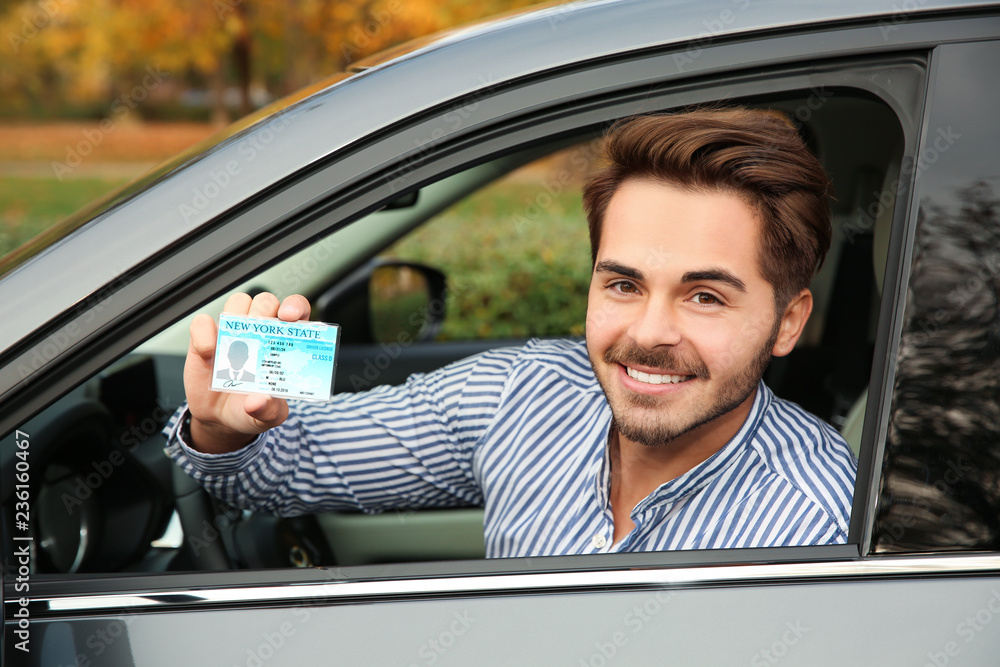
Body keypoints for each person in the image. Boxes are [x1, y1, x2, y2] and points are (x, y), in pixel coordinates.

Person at [165, 108, 857, 557]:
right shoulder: (520, 392)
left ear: (786, 321)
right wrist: (225, 425)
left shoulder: (817, 521)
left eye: (704, 296)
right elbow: (291, 466)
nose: (649, 333)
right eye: (623, 284)